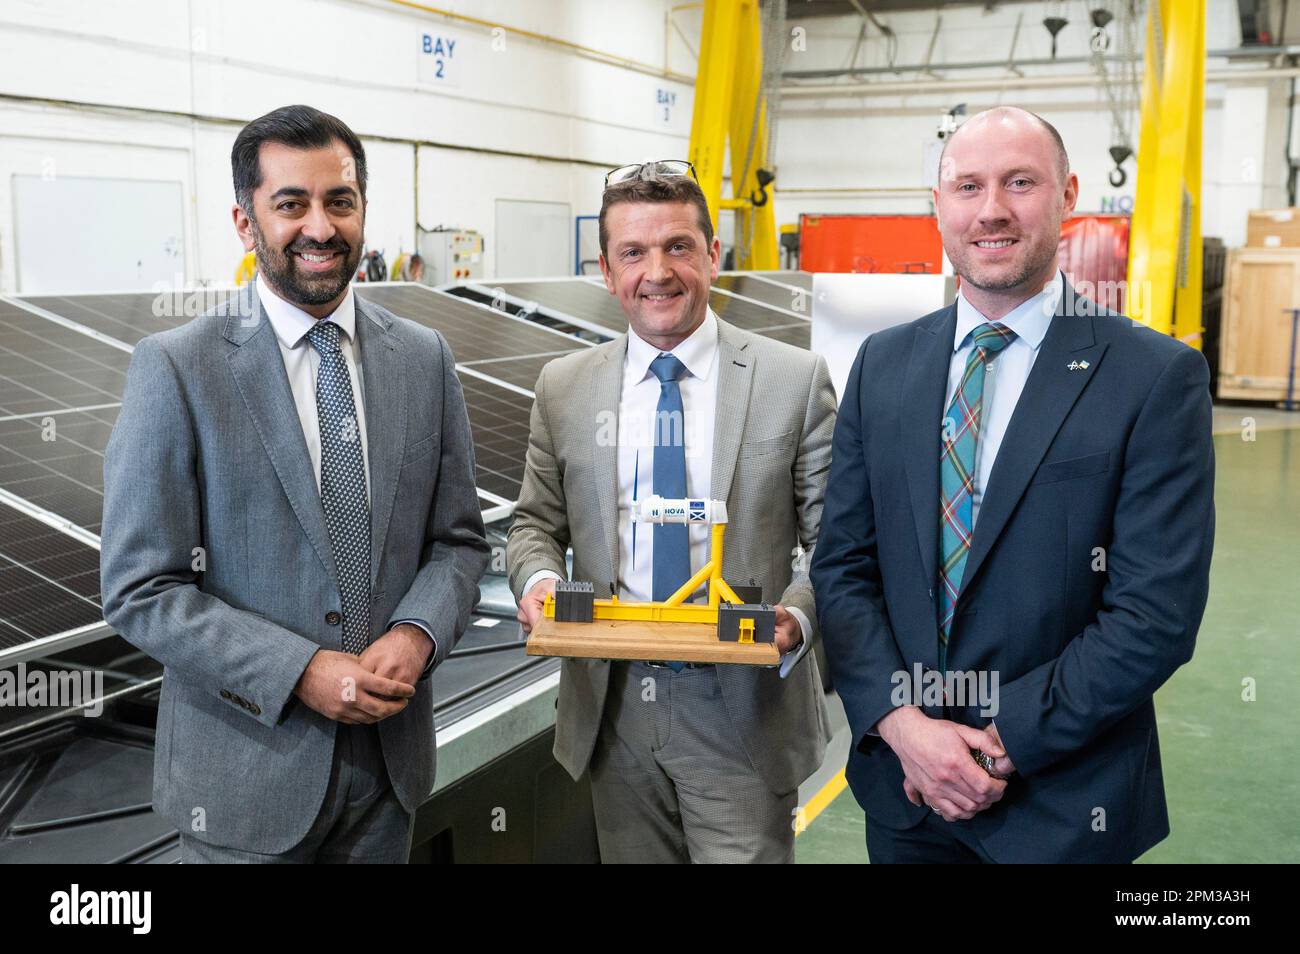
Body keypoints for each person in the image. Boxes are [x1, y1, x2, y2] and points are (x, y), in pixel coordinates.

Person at [810, 107, 1215, 863]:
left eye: (1019, 183)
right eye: (968, 186)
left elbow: (1155, 613)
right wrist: (904, 729)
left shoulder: (1153, 377)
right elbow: (842, 568)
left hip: (1063, 807)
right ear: (939, 207)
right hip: (906, 797)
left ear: (1067, 196)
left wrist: (1002, 744)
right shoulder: (883, 367)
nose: (991, 209)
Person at [100, 104, 490, 862]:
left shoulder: (422, 358)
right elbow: (140, 589)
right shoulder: (179, 368)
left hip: (387, 780)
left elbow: (459, 542)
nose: (320, 226)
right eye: (291, 204)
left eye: (339, 201)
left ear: (363, 212)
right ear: (246, 224)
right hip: (242, 790)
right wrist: (300, 671)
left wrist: (418, 632)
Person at [507, 164, 835, 863]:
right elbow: (534, 524)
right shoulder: (564, 389)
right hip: (613, 698)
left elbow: (835, 540)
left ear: (713, 255)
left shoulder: (791, 379)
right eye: (633, 252)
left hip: (740, 701)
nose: (657, 272)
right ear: (605, 269)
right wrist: (537, 586)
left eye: (679, 246)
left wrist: (797, 617)